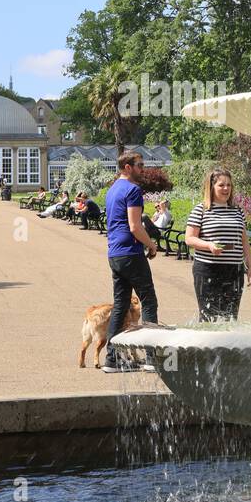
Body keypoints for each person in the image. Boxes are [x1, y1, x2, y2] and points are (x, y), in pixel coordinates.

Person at [103, 151, 162, 373]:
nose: (142, 168)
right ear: (127, 167)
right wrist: (152, 245)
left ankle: (112, 359)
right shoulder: (133, 189)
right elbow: (135, 226)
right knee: (149, 301)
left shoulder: (112, 189)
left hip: (115, 254)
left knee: (120, 305)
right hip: (130, 252)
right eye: (139, 165)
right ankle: (150, 358)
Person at [185, 169, 251, 322]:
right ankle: (205, 346)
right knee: (209, 316)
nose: (226, 189)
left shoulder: (237, 210)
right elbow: (189, 239)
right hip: (208, 269)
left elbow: (244, 241)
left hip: (234, 270)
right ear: (211, 187)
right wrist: (209, 245)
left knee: (230, 317)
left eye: (229, 185)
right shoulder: (201, 209)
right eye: (221, 185)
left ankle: (226, 346)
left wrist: (250, 267)